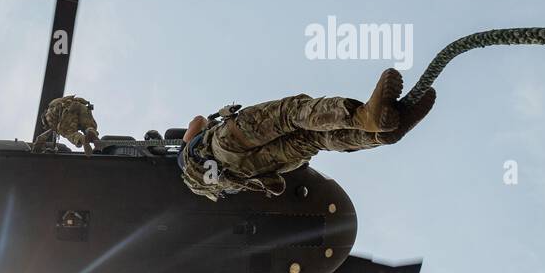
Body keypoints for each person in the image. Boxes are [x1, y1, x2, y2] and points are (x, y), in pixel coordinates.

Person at [178, 68, 437, 201]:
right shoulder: (186, 155)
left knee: (313, 140)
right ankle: (364, 117)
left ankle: (377, 136)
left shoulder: (207, 185)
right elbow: (197, 121)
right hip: (226, 146)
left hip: (251, 173)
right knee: (289, 114)